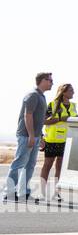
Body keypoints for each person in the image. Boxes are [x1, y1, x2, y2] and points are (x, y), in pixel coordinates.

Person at [6, 72, 53, 202]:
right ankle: (9, 193)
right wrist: (31, 136)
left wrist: (40, 136)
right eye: (50, 80)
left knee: (30, 165)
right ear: (42, 80)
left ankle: (24, 193)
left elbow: (39, 120)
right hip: (26, 136)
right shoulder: (32, 95)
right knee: (19, 163)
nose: (52, 83)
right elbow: (28, 116)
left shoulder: (41, 96)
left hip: (35, 136)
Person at [36, 83, 76, 203]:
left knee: (60, 168)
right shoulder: (52, 105)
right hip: (52, 140)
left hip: (66, 140)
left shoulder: (73, 106)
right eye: (71, 90)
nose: (73, 92)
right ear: (63, 92)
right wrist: (60, 119)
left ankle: (57, 193)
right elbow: (43, 121)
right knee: (47, 166)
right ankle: (41, 192)